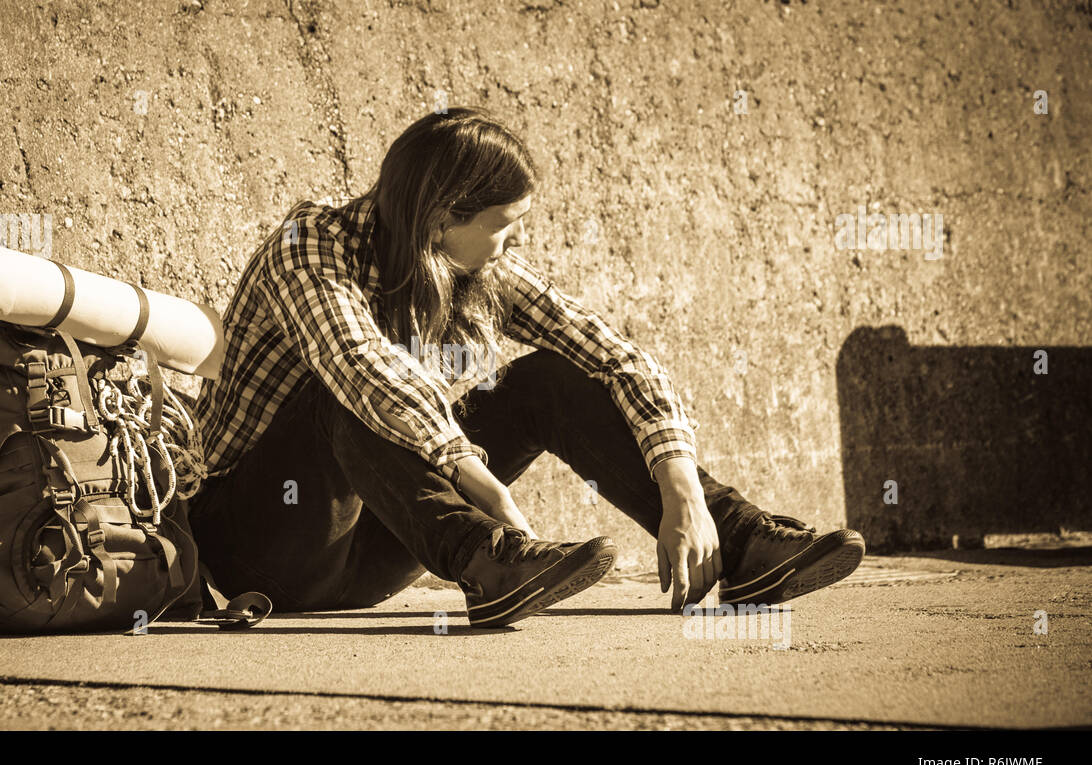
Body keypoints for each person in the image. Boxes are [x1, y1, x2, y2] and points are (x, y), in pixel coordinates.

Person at [190, 107, 864, 628]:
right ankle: (487, 560)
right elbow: (362, 367)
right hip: (261, 543)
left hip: (379, 548)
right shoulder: (310, 244)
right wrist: (480, 481)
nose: (514, 243)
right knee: (346, 389)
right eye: (504, 226)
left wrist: (681, 485)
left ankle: (741, 545)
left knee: (551, 378)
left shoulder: (474, 265)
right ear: (441, 218)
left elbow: (613, 355)